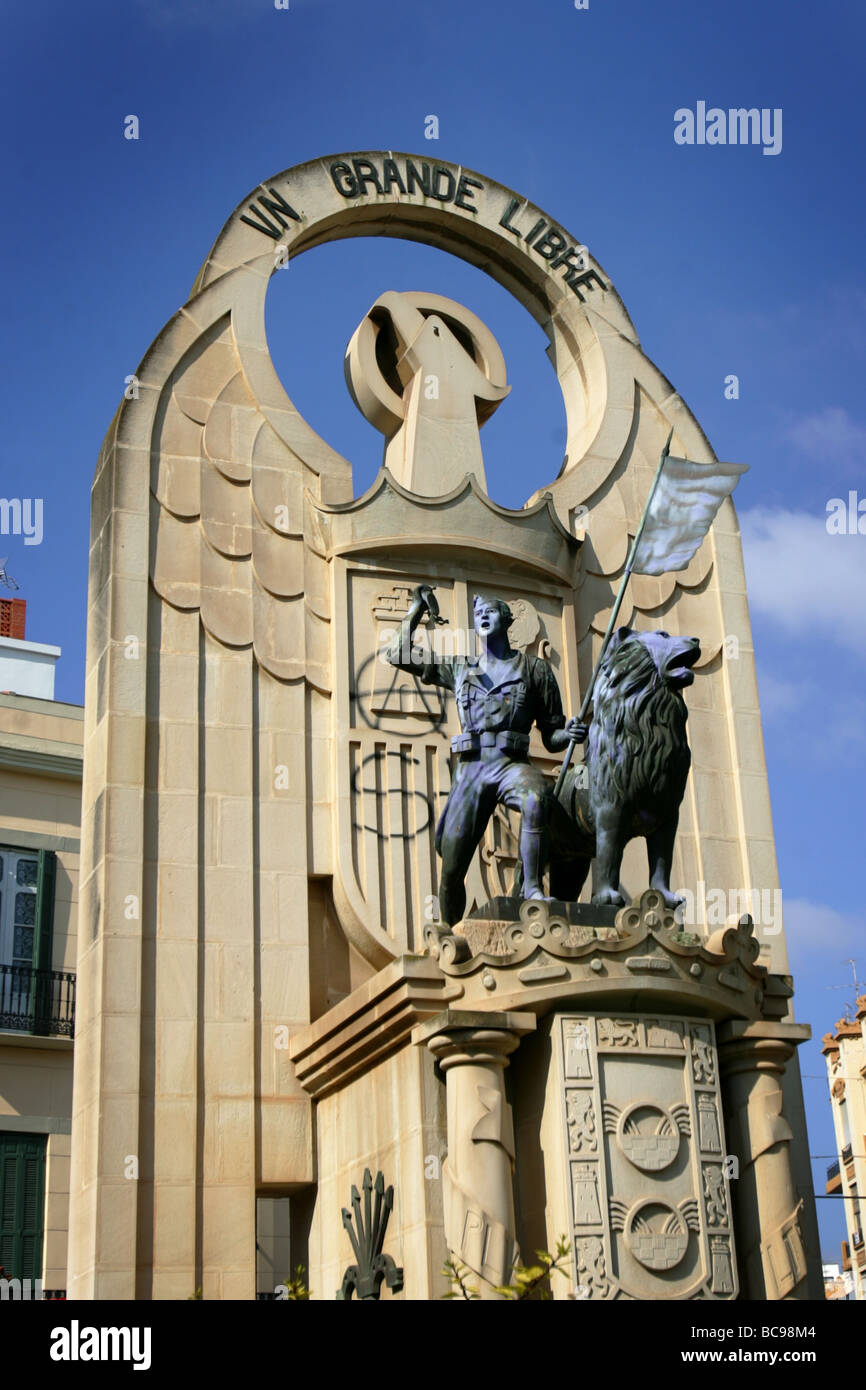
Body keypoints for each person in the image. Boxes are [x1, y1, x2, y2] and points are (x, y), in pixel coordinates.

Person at [387, 587, 585, 925]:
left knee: (538, 798)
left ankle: (534, 891)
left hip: (511, 765)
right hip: (473, 769)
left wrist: (570, 733)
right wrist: (417, 609)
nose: (483, 616)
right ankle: (449, 932)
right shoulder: (460, 667)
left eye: (491, 611)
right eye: (479, 614)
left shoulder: (535, 670)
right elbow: (398, 653)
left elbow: (552, 737)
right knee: (451, 867)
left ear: (506, 620)